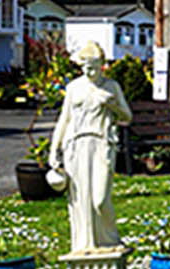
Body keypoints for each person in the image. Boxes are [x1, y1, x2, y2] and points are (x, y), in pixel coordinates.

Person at [50, 42, 132, 253]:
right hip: (76, 145)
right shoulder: (73, 87)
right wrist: (54, 149)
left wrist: (111, 105)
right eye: (86, 68)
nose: (90, 72)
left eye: (94, 68)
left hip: (102, 144)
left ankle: (111, 239)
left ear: (101, 65)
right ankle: (84, 244)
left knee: (100, 199)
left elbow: (127, 116)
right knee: (80, 200)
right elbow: (64, 120)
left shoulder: (111, 87)